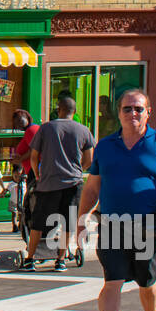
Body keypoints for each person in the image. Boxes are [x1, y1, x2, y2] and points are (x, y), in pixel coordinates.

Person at [78, 89, 156, 311]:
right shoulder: (105, 146)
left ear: (149, 112)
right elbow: (92, 187)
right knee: (112, 280)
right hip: (113, 223)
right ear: (119, 113)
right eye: (127, 109)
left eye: (139, 109)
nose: (133, 113)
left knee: (146, 281)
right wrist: (81, 219)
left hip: (149, 224)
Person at [22, 95, 94, 271]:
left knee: (38, 223)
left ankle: (30, 259)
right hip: (73, 184)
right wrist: (77, 171)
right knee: (67, 223)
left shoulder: (46, 128)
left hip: (48, 184)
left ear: (58, 110)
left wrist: (38, 174)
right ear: (74, 111)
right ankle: (60, 260)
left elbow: (33, 156)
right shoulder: (84, 130)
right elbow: (89, 160)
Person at [9, 109, 40, 234]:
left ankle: (34, 230)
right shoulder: (31, 130)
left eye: (19, 119)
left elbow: (35, 150)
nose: (17, 123)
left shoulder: (31, 130)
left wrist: (20, 159)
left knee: (32, 202)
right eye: (15, 121)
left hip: (35, 171)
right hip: (31, 170)